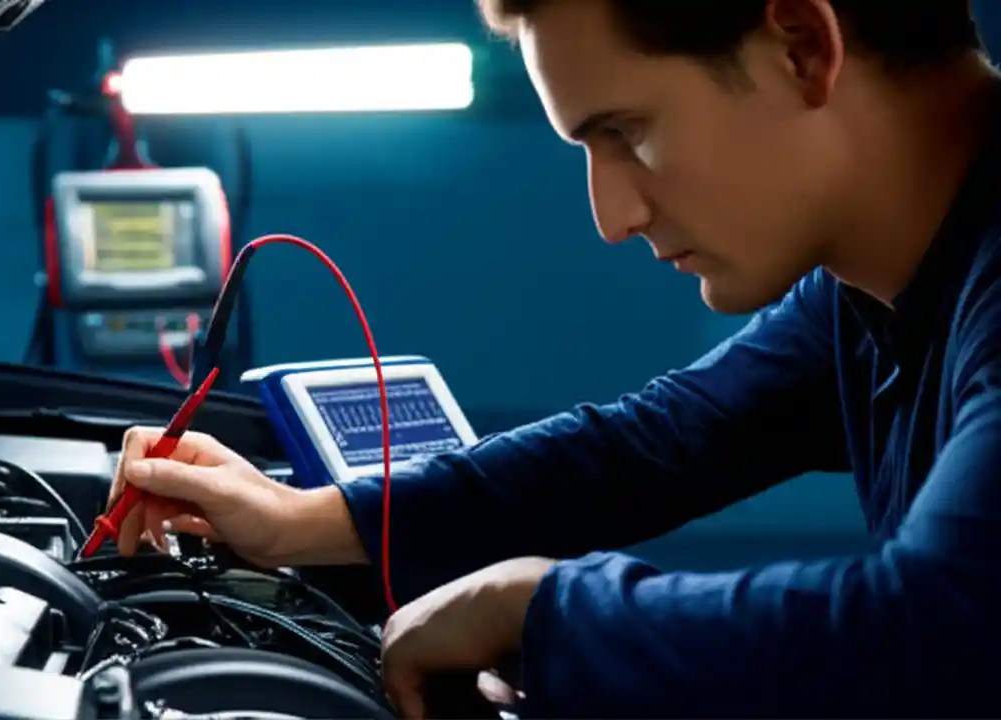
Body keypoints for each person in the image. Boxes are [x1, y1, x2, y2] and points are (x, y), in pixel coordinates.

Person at [107, 0, 1001, 716]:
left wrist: (549, 612)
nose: (613, 217)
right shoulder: (867, 291)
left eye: (628, 132)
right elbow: (654, 444)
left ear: (804, 45)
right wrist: (304, 518)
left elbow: (949, 636)